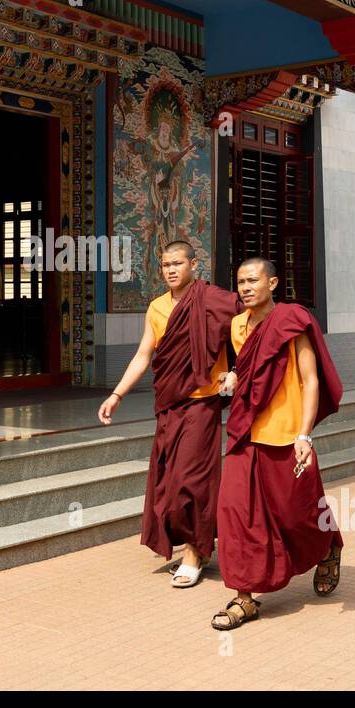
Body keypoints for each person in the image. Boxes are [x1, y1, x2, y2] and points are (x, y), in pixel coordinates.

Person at [211, 257, 344, 631]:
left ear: (273, 283)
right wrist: (233, 378)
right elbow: (248, 366)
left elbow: (310, 379)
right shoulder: (238, 324)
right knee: (236, 514)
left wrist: (304, 434)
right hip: (244, 430)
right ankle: (244, 597)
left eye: (253, 280)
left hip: (285, 432)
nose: (246, 287)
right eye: (240, 282)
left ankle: (328, 544)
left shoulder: (291, 321)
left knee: (295, 510)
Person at [98, 240, 241, 587]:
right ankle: (198, 544)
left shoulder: (214, 300)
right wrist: (117, 394)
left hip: (203, 405)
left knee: (190, 481)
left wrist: (237, 370)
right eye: (165, 265)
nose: (171, 270)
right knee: (167, 482)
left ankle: (195, 552)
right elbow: (144, 355)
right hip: (169, 406)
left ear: (195, 264)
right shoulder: (157, 308)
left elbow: (250, 329)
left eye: (178, 263)